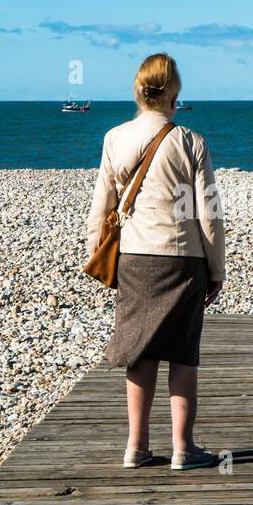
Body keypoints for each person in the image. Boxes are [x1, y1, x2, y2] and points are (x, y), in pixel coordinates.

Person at [85, 53, 226, 470]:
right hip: (183, 258)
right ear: (175, 92)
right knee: (183, 355)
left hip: (134, 256)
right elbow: (209, 212)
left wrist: (100, 256)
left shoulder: (115, 137)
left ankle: (136, 447)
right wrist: (217, 267)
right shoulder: (190, 141)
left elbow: (101, 207)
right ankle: (184, 449)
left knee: (139, 351)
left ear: (138, 90)